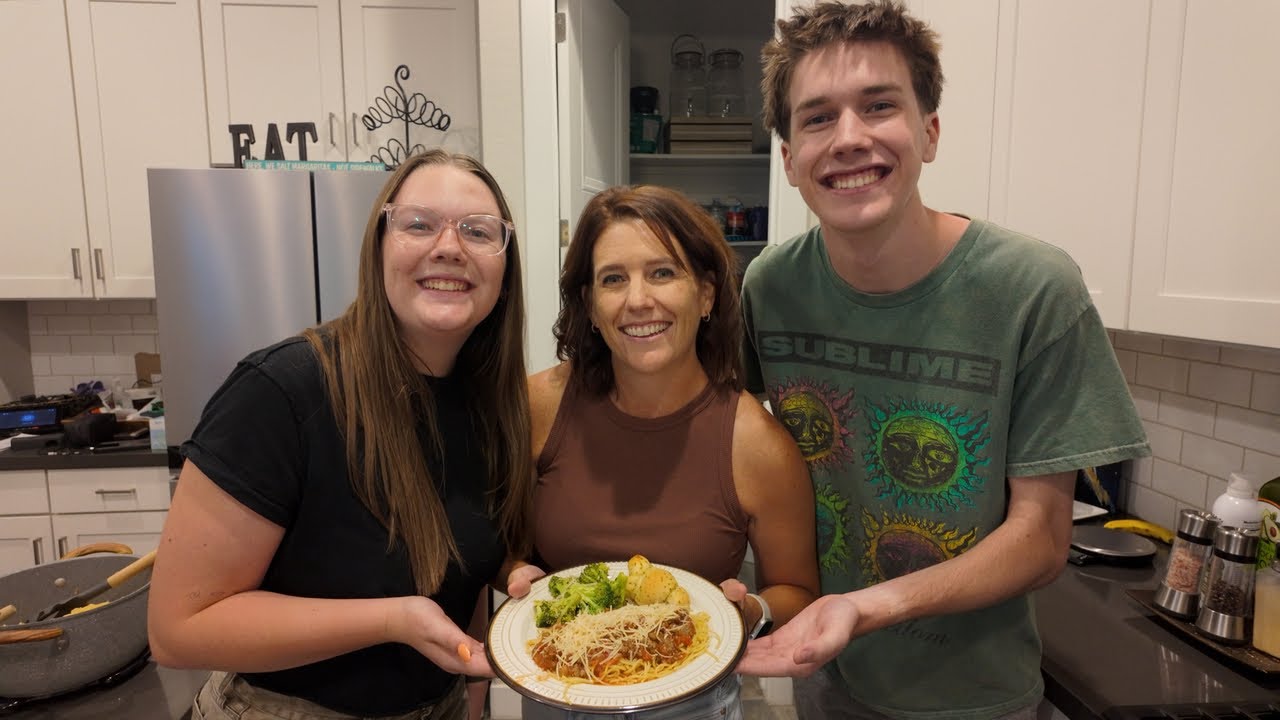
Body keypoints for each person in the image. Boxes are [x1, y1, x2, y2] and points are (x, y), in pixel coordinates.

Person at [735, 3, 1150, 719]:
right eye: (817, 117)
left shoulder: (1032, 288)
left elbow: (1043, 539)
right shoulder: (769, 288)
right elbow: (729, 453)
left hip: (976, 697)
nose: (850, 138)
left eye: (879, 105)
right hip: (822, 679)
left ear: (929, 132)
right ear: (788, 157)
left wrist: (865, 608)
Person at [147, 149, 543, 720]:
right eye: (419, 224)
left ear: (505, 270)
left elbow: (463, 576)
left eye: (477, 231)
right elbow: (179, 629)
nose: (449, 247)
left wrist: (475, 690)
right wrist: (391, 620)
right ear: (378, 247)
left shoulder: (489, 403)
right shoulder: (282, 392)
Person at [523, 185, 820, 720]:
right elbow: (496, 548)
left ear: (706, 294)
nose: (638, 300)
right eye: (614, 279)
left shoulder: (757, 444)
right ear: (590, 304)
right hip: (556, 691)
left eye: (663, 272)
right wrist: (514, 577)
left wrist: (752, 609)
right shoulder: (538, 405)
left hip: (695, 704)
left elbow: (797, 590)